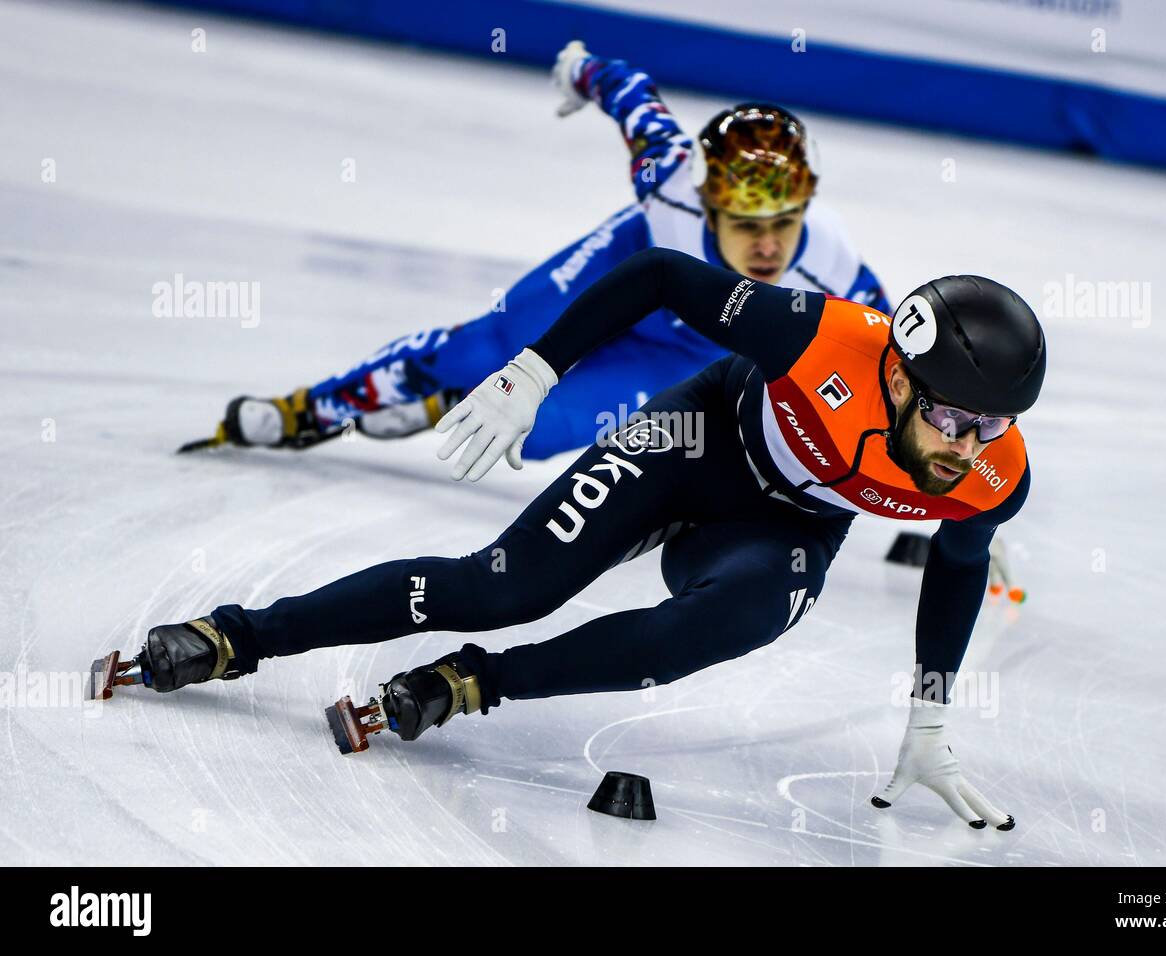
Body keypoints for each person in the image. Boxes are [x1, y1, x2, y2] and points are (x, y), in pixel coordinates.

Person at [110, 247, 1046, 829]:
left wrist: (930, 714)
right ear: (893, 379)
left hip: (783, 525)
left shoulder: (994, 473)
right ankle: (239, 637)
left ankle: (474, 681)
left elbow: (958, 572)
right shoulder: (817, 338)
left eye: (992, 426)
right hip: (697, 441)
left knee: (729, 624)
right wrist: (535, 368)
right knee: (503, 586)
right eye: (957, 421)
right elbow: (662, 277)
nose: (970, 449)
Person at [187, 41, 889, 463]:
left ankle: (450, 405)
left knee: (542, 433)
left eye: (784, 221)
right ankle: (310, 410)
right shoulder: (671, 181)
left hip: (688, 350)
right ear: (707, 203)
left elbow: (896, 370)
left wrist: (950, 497)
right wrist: (579, 67)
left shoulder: (831, 261)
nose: (768, 246)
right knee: (484, 347)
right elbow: (631, 94)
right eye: (744, 223)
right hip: (627, 269)